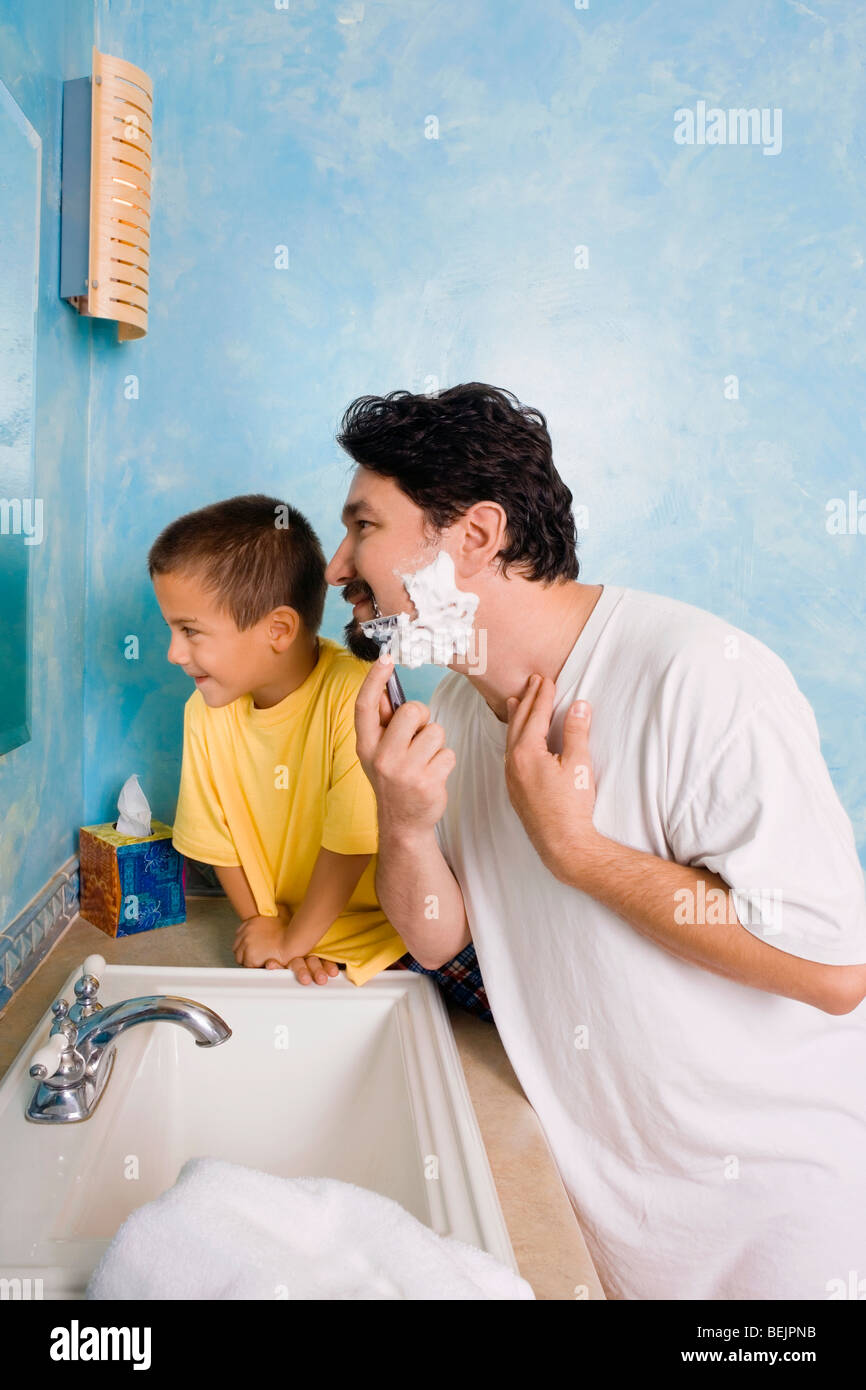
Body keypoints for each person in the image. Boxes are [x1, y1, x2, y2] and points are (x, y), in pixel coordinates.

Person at [326, 380, 866, 1300]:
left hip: (776, 1241)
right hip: (615, 1231)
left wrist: (578, 851)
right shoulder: (459, 704)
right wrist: (405, 821)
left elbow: (832, 971)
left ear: (476, 536)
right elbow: (441, 941)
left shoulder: (698, 675)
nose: (338, 565)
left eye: (363, 527)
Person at [148, 492, 490, 1012]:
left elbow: (349, 846)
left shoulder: (354, 695)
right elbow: (222, 848)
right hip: (306, 940)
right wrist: (267, 929)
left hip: (401, 932)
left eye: (190, 631)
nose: (174, 653)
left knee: (517, 1015)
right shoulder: (204, 712)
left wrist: (292, 942)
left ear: (278, 630)